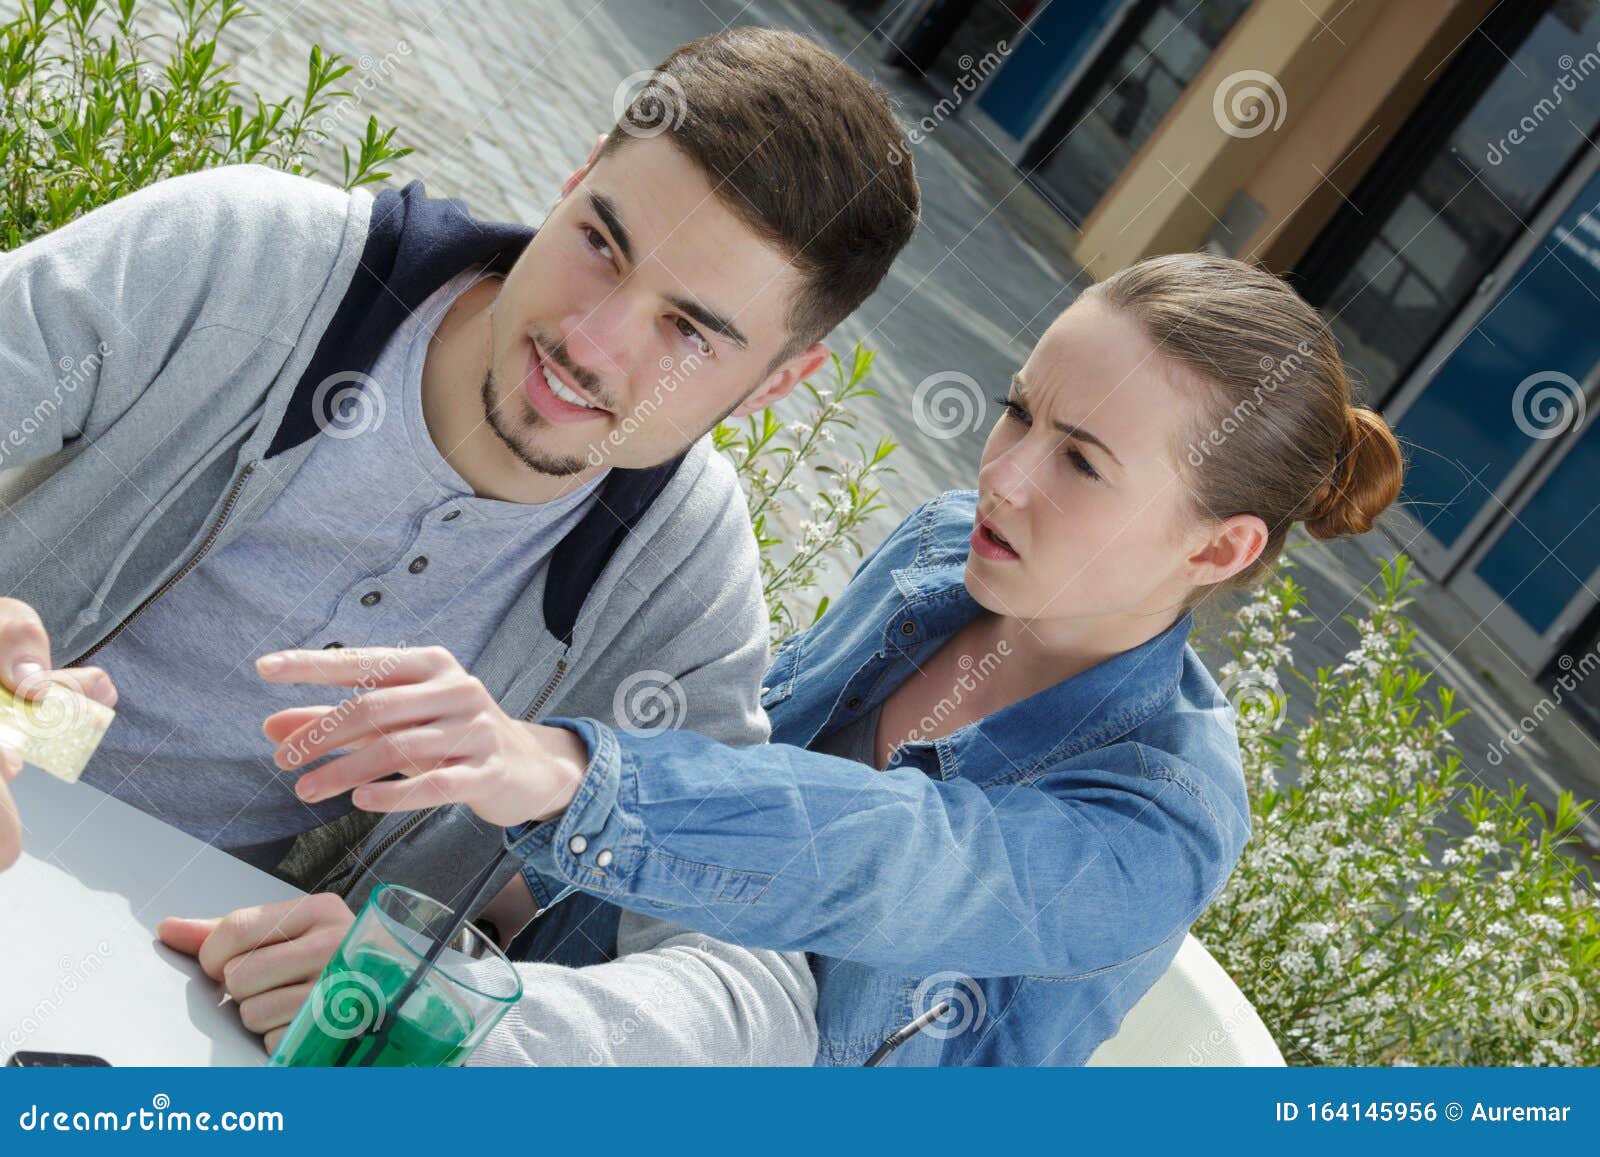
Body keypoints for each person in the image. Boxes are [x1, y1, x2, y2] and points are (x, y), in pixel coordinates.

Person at [0, 28, 919, 1062]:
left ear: (782, 381)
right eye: (601, 244)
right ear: (572, 183)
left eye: (689, 330)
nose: (591, 339)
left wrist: (468, 1009)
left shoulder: (679, 576)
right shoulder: (245, 255)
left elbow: (755, 987)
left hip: (164, 1041)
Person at [250, 252, 1406, 1065]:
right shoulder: (946, 553)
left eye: (1083, 462)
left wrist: (566, 772)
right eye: (1019, 412)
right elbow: (728, 768)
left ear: (1220, 544)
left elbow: (880, 859)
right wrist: (426, 941)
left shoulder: (1163, 814)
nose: (1004, 473)